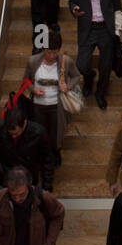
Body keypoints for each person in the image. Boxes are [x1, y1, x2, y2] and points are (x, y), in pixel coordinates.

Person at [68, 0, 121, 110]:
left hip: (105, 27)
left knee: (105, 66)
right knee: (81, 64)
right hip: (87, 27)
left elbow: (116, 4)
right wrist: (74, 8)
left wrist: (116, 26)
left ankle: (101, 93)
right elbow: (71, 1)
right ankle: (89, 78)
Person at [24, 31, 82, 169]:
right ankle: (41, 155)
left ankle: (55, 153)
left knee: (56, 133)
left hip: (57, 106)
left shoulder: (65, 61)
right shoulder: (33, 61)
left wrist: (68, 86)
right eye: (48, 52)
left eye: (55, 52)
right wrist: (33, 89)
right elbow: (26, 81)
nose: (51, 56)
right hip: (38, 106)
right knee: (40, 132)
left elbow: (76, 76)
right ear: (44, 49)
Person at [0, 104, 52, 193]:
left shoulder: (39, 133)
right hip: (5, 177)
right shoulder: (0, 128)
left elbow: (47, 160)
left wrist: (47, 186)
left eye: (16, 133)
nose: (13, 136)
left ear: (24, 123)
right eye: (10, 134)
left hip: (28, 178)